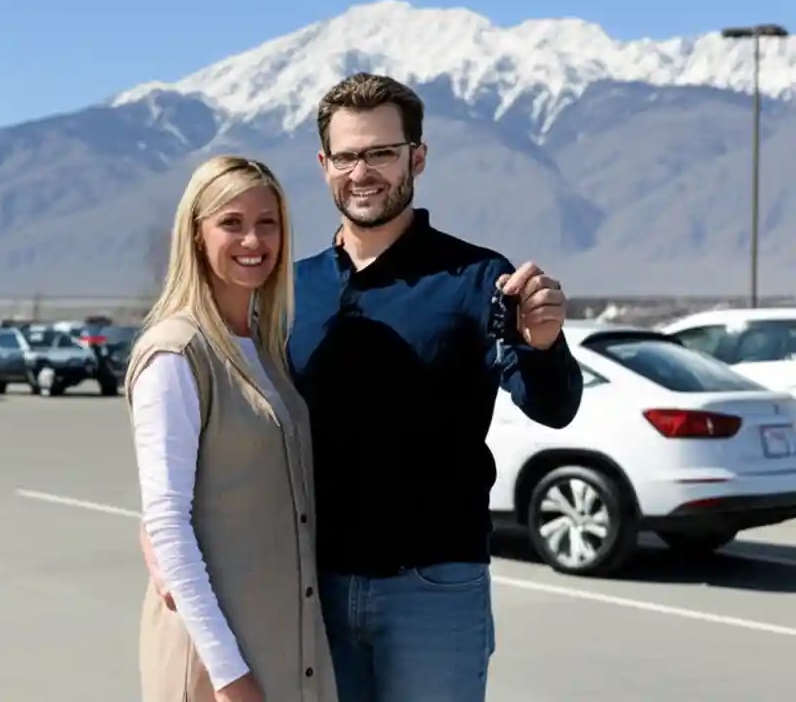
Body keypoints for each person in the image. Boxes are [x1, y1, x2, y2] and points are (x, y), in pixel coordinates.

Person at [141, 72, 584, 701]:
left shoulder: (477, 277)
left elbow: (553, 406)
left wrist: (543, 344)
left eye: (381, 152)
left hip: (433, 588)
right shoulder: (287, 291)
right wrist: (160, 531)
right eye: (347, 155)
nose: (363, 171)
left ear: (417, 157)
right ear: (324, 165)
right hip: (307, 588)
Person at [124, 154, 338, 702]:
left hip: (286, 650)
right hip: (218, 663)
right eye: (231, 223)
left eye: (268, 222)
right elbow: (168, 525)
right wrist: (228, 676)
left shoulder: (268, 349)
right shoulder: (176, 354)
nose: (253, 240)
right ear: (196, 235)